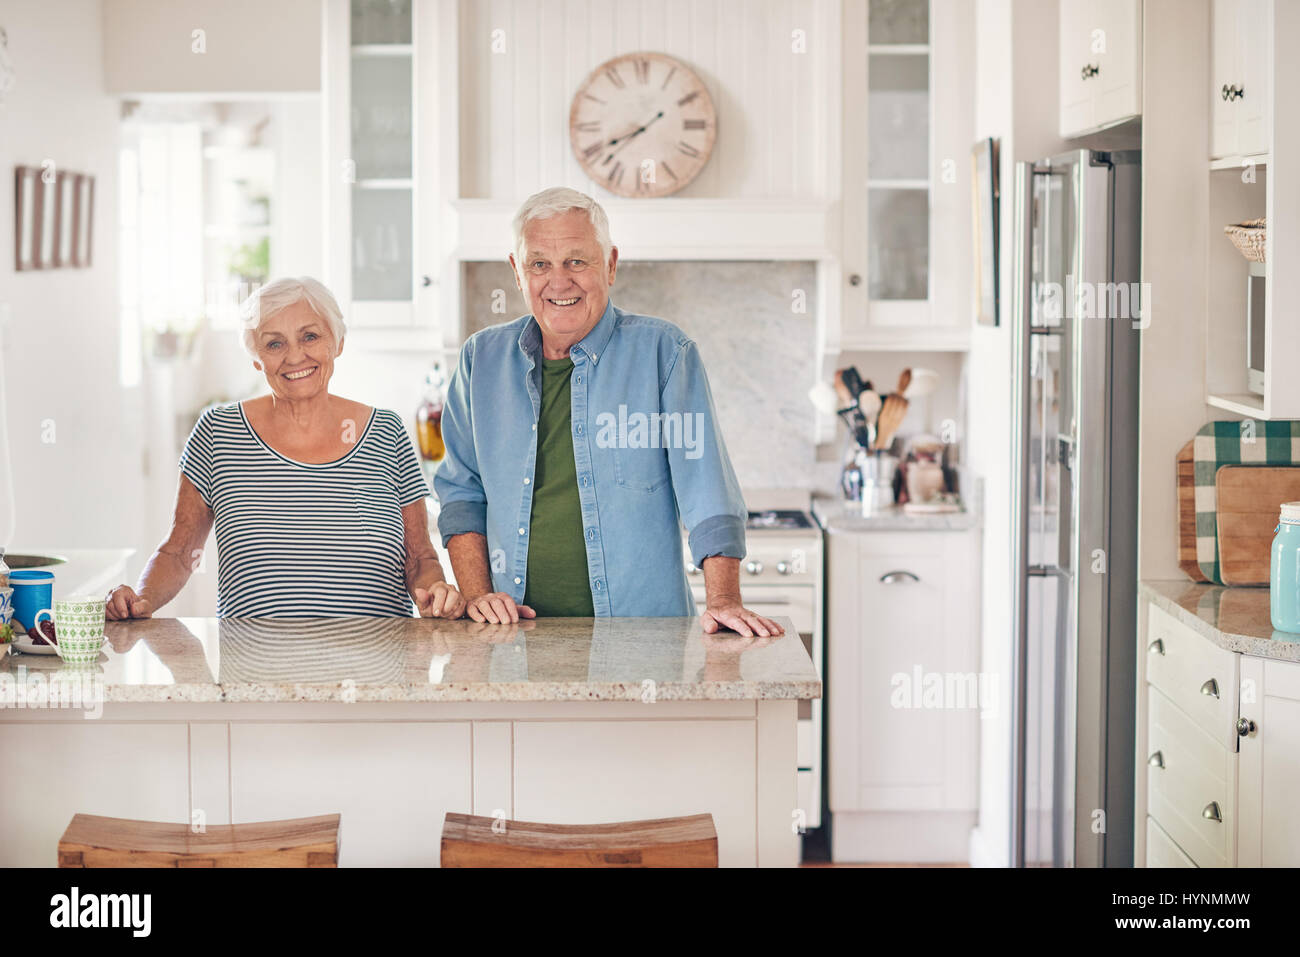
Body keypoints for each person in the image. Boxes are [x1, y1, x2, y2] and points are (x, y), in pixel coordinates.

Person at [434, 187, 782, 637]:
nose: (559, 282)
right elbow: (462, 494)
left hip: (644, 644)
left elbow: (707, 492)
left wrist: (724, 600)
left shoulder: (664, 353)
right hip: (510, 643)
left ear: (611, 264)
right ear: (517, 272)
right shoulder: (480, 360)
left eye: (577, 261)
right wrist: (479, 595)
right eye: (540, 264)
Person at [107, 277, 464, 620]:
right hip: (254, 677)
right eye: (274, 343)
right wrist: (141, 600)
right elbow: (180, 551)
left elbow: (419, 558)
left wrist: (436, 591)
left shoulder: (387, 432)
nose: (295, 357)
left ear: (337, 343)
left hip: (374, 675)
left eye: (310, 336)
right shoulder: (218, 432)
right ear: (256, 358)